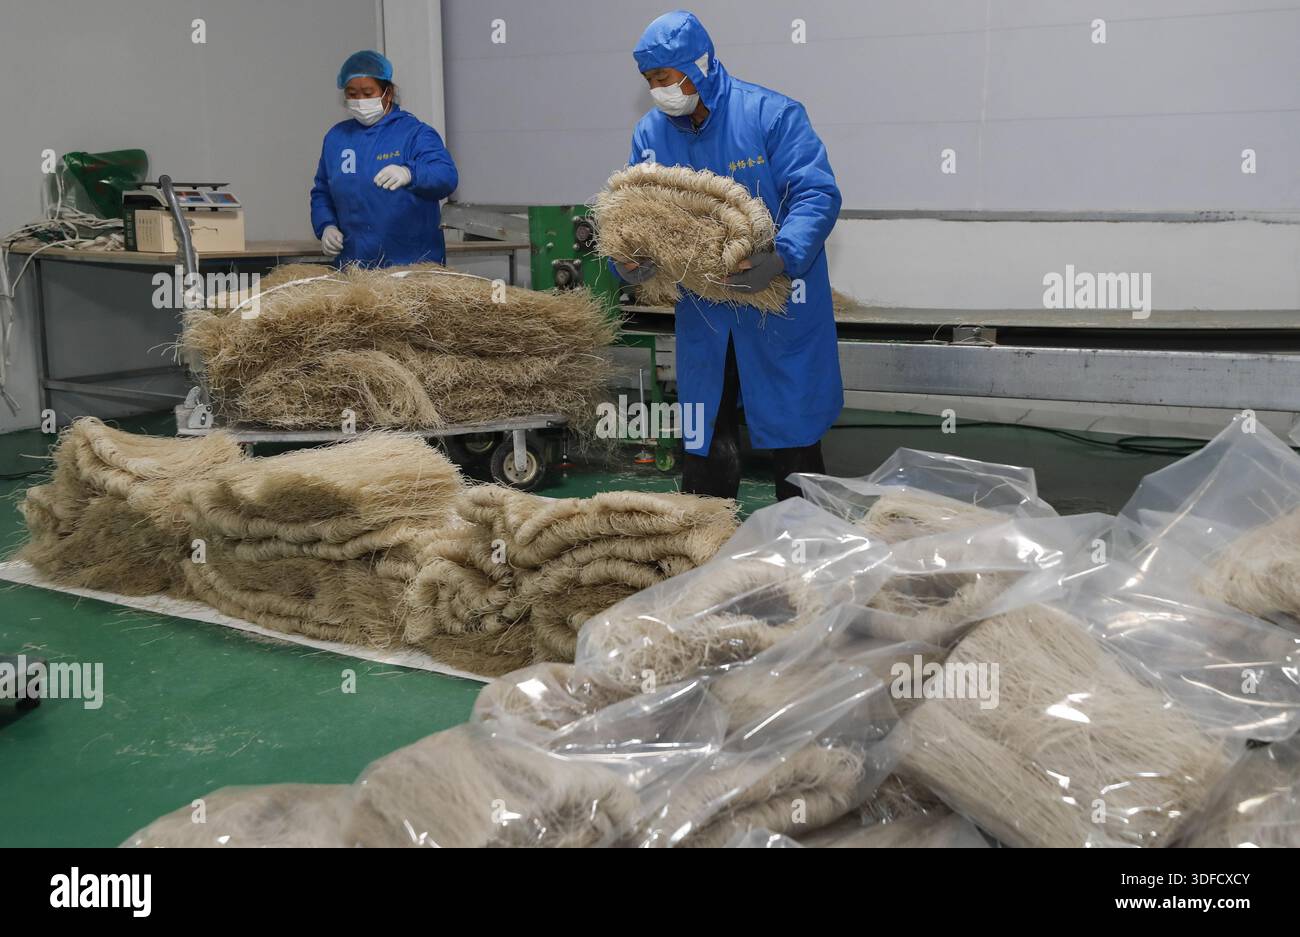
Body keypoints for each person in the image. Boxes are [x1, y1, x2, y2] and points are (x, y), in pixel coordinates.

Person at [615, 11, 843, 502]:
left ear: (698, 66)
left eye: (664, 77)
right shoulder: (650, 137)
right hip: (705, 312)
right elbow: (636, 215)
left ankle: (807, 551)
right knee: (706, 438)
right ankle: (703, 548)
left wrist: (783, 255)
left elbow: (816, 194)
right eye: (649, 81)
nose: (658, 90)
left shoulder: (771, 115)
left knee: (794, 439)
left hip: (779, 304)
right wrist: (631, 259)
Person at [310, 50, 459, 267]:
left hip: (410, 267)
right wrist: (326, 226)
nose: (359, 101)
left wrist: (410, 173)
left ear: (387, 93)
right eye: (352, 94)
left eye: (368, 93)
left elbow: (446, 176)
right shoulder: (336, 138)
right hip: (355, 267)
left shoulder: (414, 133)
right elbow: (322, 192)